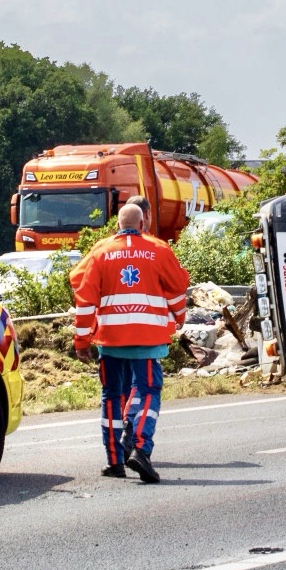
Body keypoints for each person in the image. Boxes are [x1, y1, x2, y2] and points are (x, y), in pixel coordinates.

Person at [69, 202, 189, 484]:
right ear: (142, 224)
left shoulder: (101, 251)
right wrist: (179, 317)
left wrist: (82, 340)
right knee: (148, 391)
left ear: (117, 226)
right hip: (147, 339)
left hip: (110, 340)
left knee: (111, 396)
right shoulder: (158, 249)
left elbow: (83, 295)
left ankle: (114, 461)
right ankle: (141, 449)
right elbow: (177, 287)